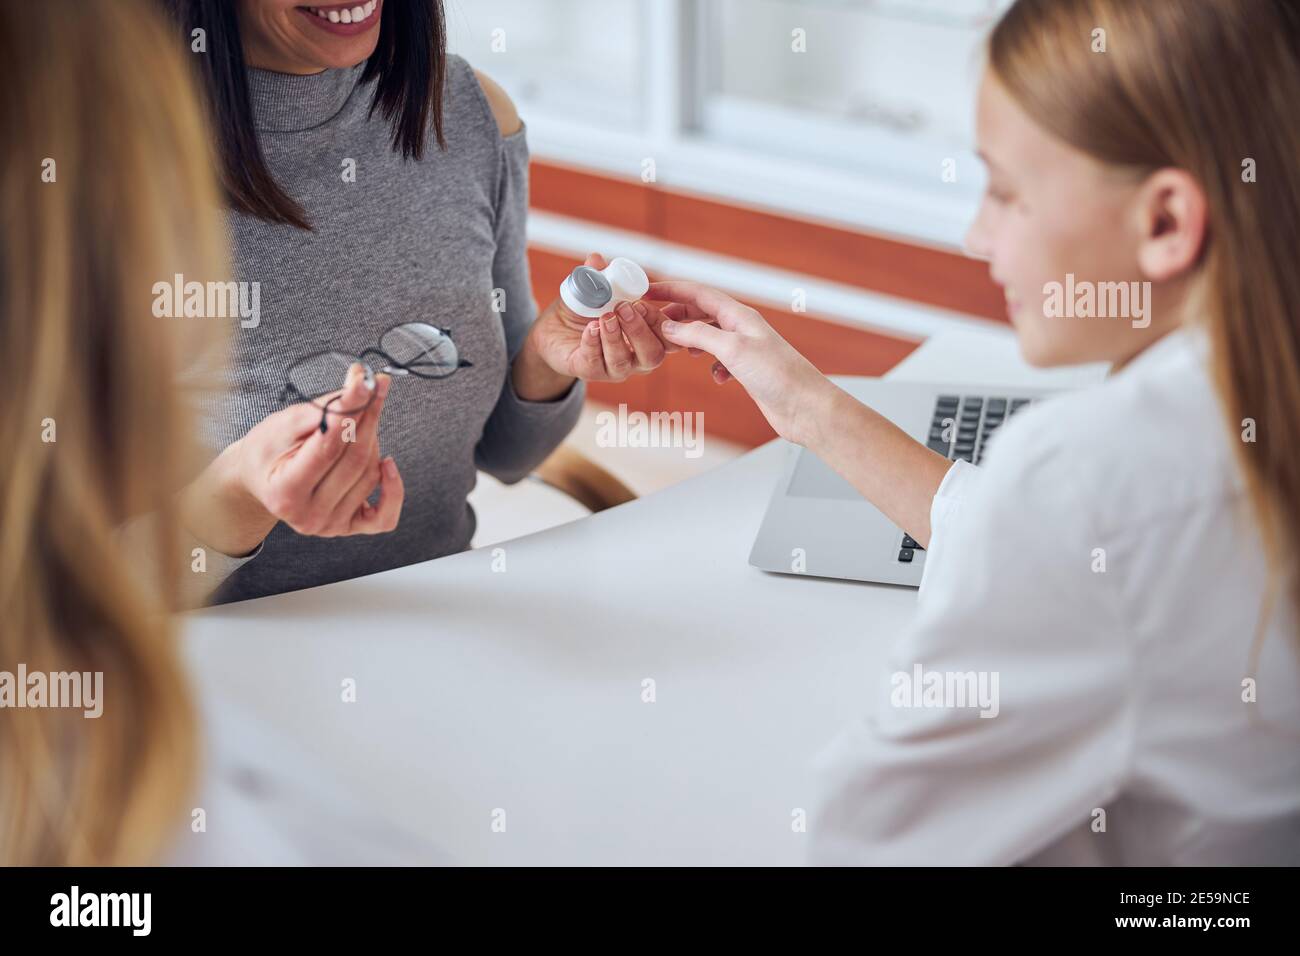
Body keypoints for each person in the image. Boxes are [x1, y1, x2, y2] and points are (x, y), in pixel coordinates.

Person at [652, 0, 1300, 864]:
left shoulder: (1088, 479)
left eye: (1004, 192)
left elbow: (864, 844)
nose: (976, 236)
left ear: (1166, 224)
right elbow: (1054, 544)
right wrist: (810, 407)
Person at [160, 0, 677, 603]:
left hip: (440, 630)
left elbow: (505, 453)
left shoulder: (466, 112)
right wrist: (241, 498)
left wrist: (546, 360)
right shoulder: (100, 174)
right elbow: (65, 596)